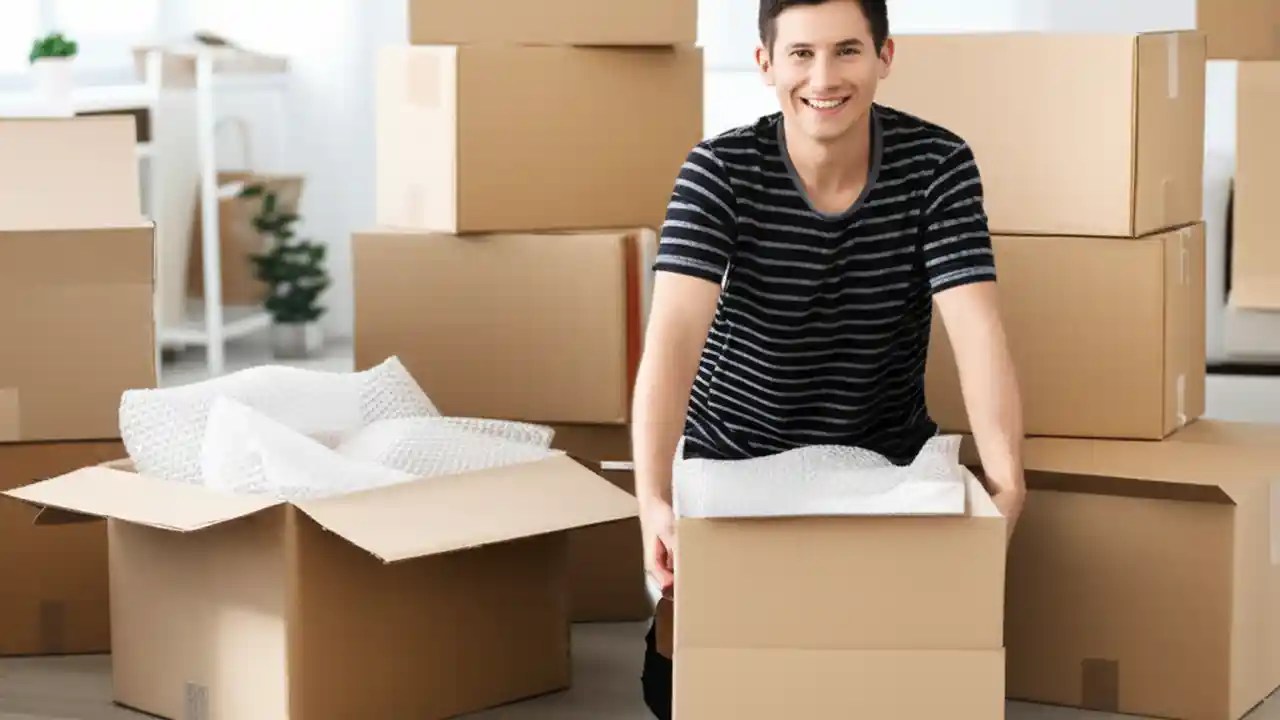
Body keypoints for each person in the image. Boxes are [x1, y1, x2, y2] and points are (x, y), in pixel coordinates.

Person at [631, 0, 1027, 716]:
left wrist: (1006, 481)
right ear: (766, 64)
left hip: (879, 459)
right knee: (685, 693)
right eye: (801, 54)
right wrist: (654, 498)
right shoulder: (717, 172)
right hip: (736, 459)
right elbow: (671, 343)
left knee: (870, 688)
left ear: (885, 57)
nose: (824, 76)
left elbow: (977, 330)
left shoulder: (938, 165)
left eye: (847, 51)